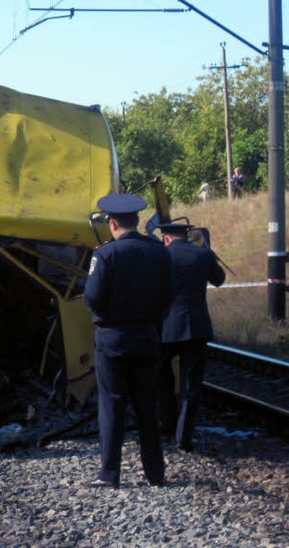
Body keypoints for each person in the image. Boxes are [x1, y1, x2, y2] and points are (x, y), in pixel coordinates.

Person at [83, 193, 172, 488]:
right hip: (147, 335)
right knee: (147, 405)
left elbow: (92, 299)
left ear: (112, 224)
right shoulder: (159, 252)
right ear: (137, 220)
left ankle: (110, 474)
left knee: (112, 404)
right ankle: (155, 473)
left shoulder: (105, 255)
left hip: (113, 338)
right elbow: (169, 295)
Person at [158, 222, 226, 452]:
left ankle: (166, 425)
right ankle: (183, 438)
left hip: (165, 327)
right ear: (186, 236)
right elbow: (219, 279)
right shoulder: (202, 254)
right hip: (195, 327)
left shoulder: (159, 256)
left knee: (161, 376)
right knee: (192, 384)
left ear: (166, 238)